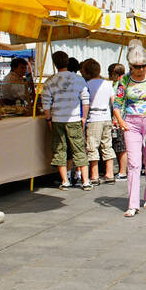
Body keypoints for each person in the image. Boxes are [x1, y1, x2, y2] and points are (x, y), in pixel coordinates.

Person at [112, 40, 146, 217]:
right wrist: (120, 120)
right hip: (131, 123)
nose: (141, 69)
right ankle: (133, 203)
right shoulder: (124, 80)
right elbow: (117, 103)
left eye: (143, 65)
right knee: (134, 163)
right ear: (130, 65)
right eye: (137, 66)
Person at [40, 50, 90, 189]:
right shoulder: (78, 79)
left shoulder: (50, 81)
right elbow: (85, 100)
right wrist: (84, 117)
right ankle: (85, 181)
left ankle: (65, 181)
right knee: (79, 148)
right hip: (74, 118)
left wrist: (48, 119)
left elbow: (46, 102)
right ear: (67, 62)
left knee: (60, 148)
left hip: (57, 119)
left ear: (54, 63)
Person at [82, 58, 116, 186]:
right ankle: (110, 173)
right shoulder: (108, 84)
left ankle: (95, 175)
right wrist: (115, 116)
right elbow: (113, 101)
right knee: (107, 145)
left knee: (92, 146)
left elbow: (85, 103)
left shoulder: (87, 85)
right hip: (106, 116)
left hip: (94, 117)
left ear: (86, 72)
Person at [107, 62, 129, 180]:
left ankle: (122, 172)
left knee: (121, 146)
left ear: (115, 73)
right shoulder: (124, 82)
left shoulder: (120, 84)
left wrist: (115, 118)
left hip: (120, 117)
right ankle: (123, 170)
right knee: (121, 145)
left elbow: (116, 103)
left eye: (110, 73)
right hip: (123, 117)